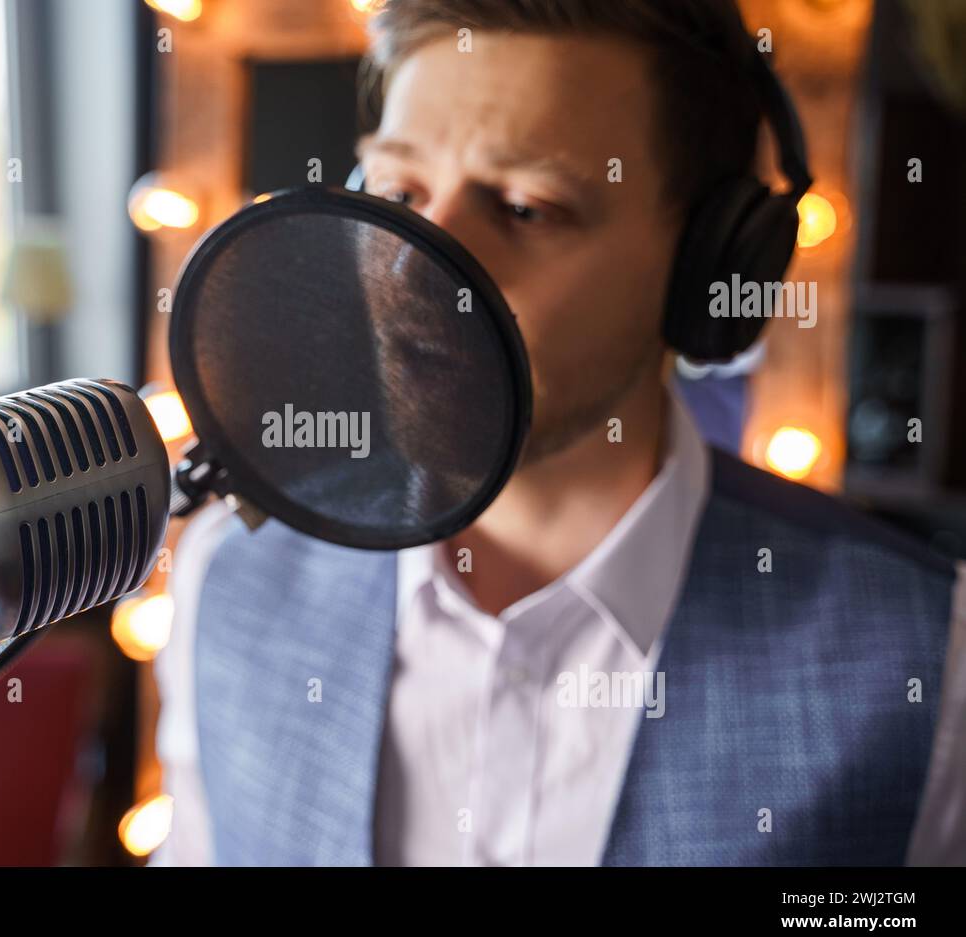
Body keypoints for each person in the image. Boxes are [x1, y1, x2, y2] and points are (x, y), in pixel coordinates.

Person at [152, 0, 966, 865]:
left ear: (703, 270)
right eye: (396, 192)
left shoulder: (934, 662)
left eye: (526, 207)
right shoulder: (225, 576)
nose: (413, 265)